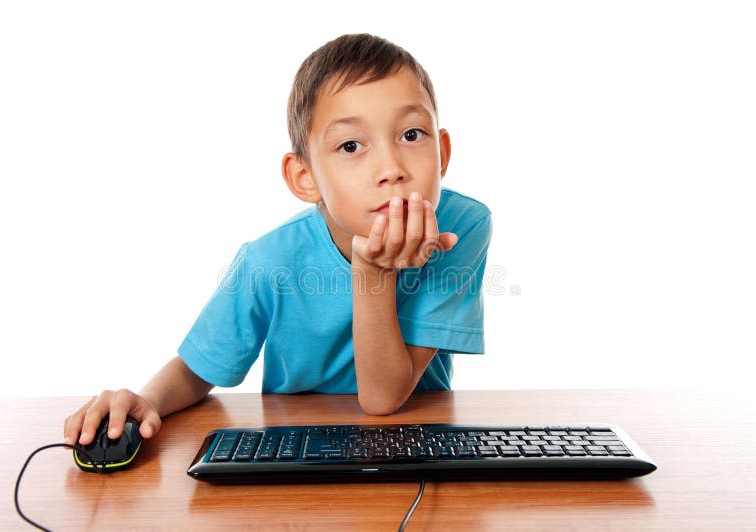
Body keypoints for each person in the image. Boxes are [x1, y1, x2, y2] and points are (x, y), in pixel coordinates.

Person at [64, 33, 492, 446]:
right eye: (350, 146)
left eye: (411, 135)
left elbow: (383, 400)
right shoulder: (269, 260)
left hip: (415, 441)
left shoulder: (463, 225)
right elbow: (199, 367)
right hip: (298, 446)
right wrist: (147, 400)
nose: (391, 167)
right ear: (304, 178)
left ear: (443, 153)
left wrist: (371, 273)